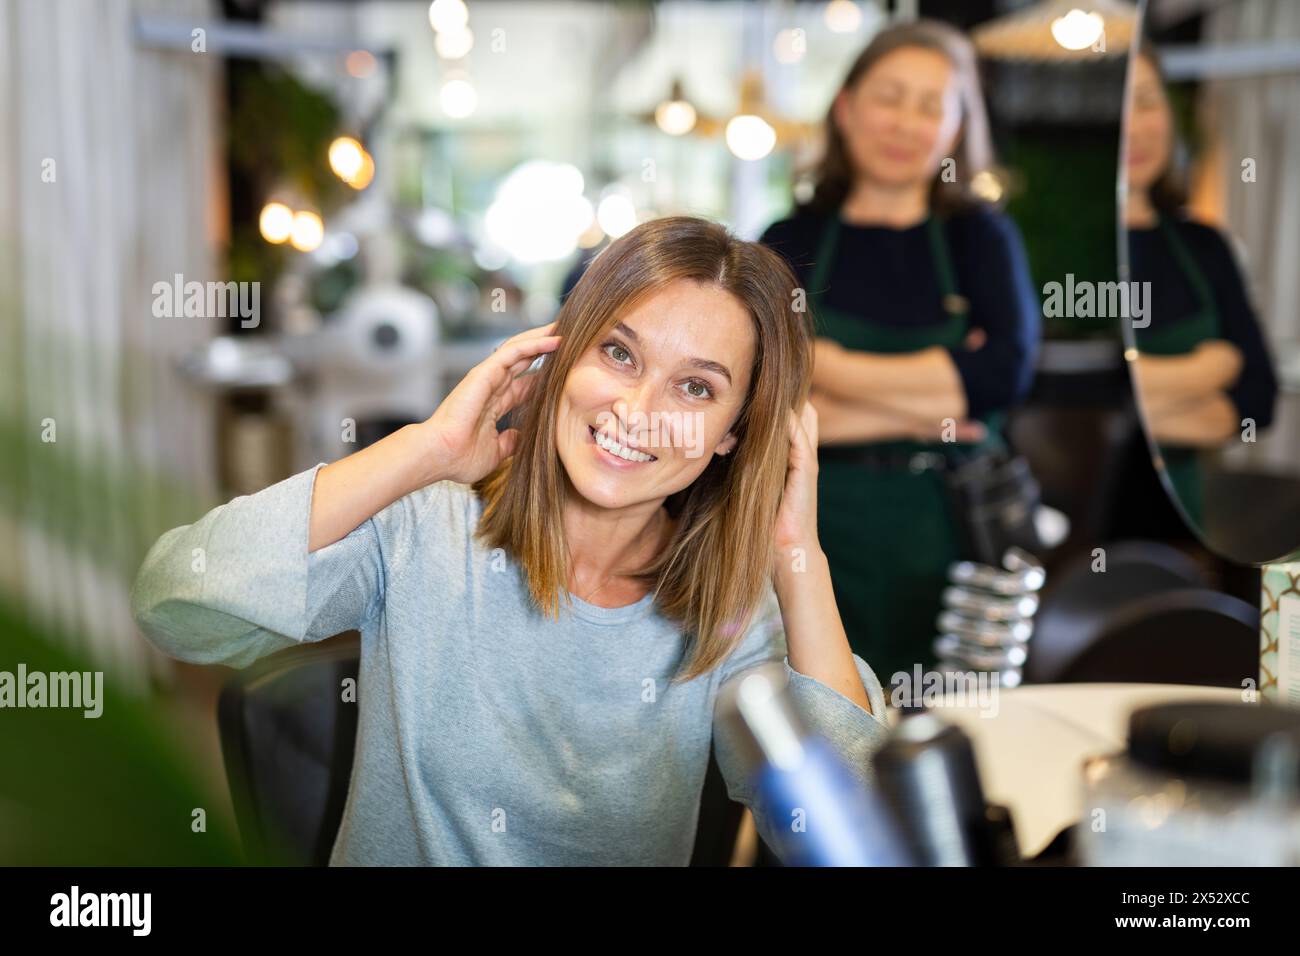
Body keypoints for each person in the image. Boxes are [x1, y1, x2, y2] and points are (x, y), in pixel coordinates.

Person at [131, 216, 891, 866]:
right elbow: (175, 604)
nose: (638, 408)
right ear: (560, 357)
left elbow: (847, 840)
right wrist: (424, 449)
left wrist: (798, 554)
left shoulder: (732, 613)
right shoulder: (424, 531)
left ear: (735, 434)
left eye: (696, 387)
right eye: (619, 354)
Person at [760, 19, 1040, 684]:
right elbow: (768, 392)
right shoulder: (789, 236)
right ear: (847, 107)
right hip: (814, 524)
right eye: (890, 96)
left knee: (944, 736)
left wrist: (824, 369)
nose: (905, 122)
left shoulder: (981, 238)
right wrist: (928, 405)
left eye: (930, 105)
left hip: (951, 536)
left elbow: (1003, 375)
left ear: (956, 128)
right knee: (822, 717)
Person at [1124, 43, 1278, 529]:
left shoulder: (1203, 245)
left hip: (1183, 527)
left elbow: (1258, 396)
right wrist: (1208, 369)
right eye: (1119, 107)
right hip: (1070, 520)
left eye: (1147, 102)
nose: (1133, 126)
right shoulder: (1054, 248)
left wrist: (1129, 406)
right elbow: (1055, 400)